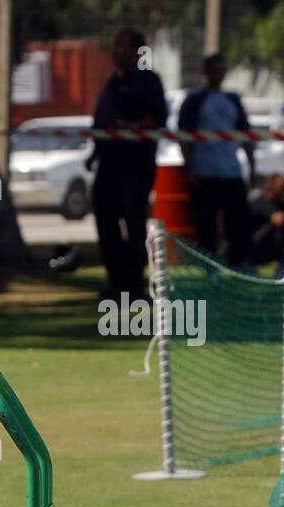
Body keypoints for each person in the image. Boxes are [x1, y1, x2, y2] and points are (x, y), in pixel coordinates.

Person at [89, 27, 167, 302]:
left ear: (137, 51)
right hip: (108, 163)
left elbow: (157, 117)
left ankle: (134, 285)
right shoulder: (111, 84)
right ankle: (116, 282)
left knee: (134, 223)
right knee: (105, 221)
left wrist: (131, 127)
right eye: (115, 45)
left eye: (122, 45)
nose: (116, 51)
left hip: (135, 164)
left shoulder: (148, 82)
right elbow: (101, 123)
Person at [178, 53, 254, 268]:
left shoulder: (233, 99)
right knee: (206, 224)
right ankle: (208, 266)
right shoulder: (195, 100)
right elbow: (184, 136)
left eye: (221, 69)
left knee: (239, 221)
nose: (218, 74)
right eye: (213, 69)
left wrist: (252, 166)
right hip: (204, 171)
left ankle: (239, 262)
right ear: (206, 71)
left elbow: (246, 136)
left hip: (230, 171)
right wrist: (188, 168)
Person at [247, 173, 284, 267]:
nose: (283, 190)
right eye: (281, 187)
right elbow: (278, 219)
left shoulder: (278, 202)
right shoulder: (259, 200)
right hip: (255, 245)